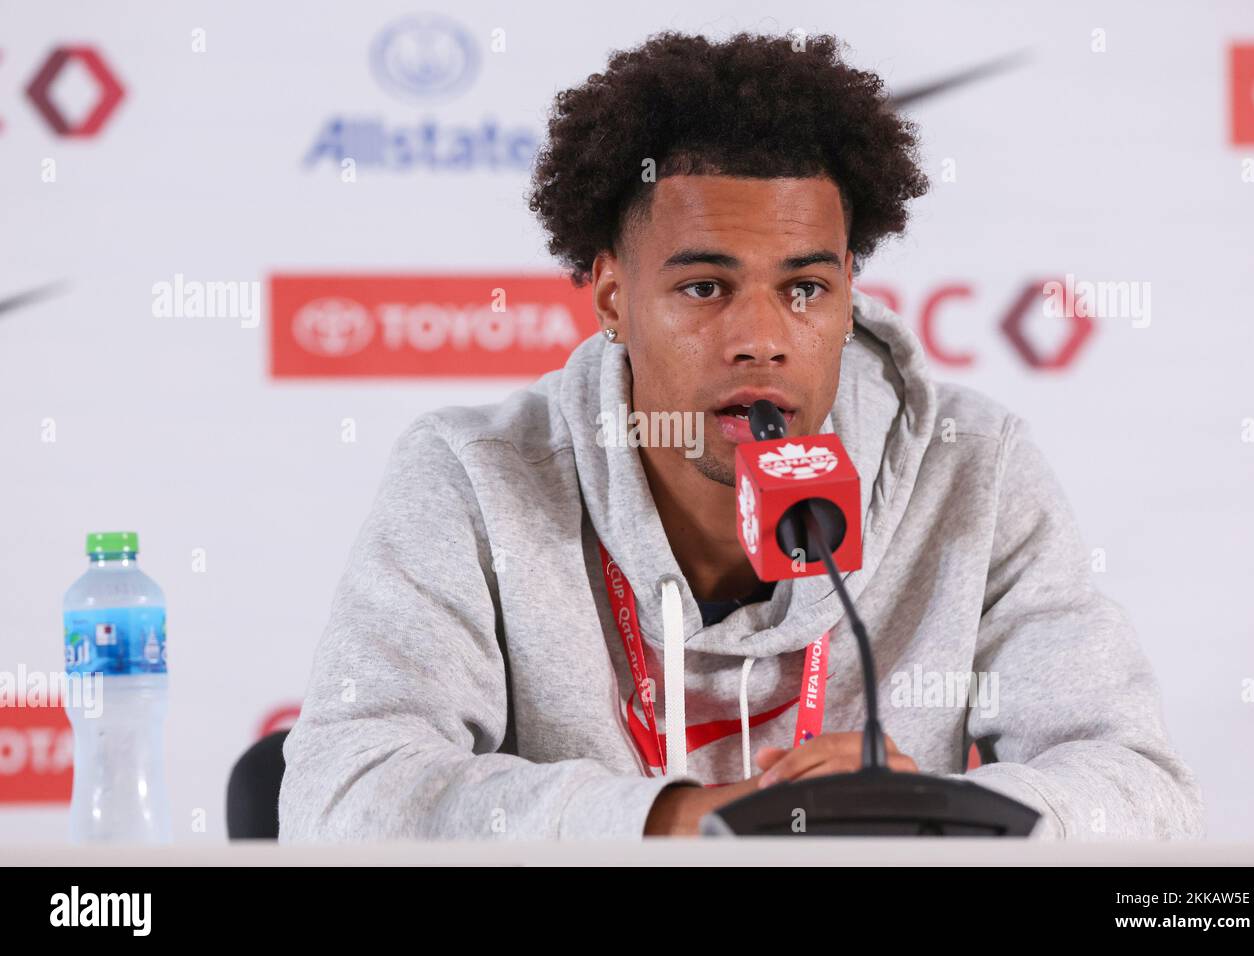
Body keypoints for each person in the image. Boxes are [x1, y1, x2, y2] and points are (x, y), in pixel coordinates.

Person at [279, 31, 1204, 840]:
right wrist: (682, 823)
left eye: (805, 288)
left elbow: (1143, 792)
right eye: (704, 287)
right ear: (612, 298)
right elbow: (344, 794)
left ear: (848, 294)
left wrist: (929, 811)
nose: (760, 337)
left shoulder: (973, 469)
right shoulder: (475, 477)